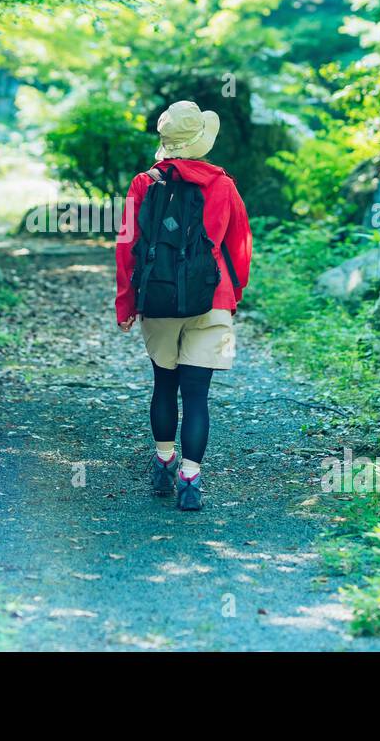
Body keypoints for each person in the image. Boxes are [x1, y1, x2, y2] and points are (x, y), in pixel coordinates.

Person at [114, 100, 252, 511]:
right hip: (211, 299)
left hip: (157, 298)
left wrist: (126, 303)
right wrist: (234, 293)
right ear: (201, 142)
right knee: (196, 397)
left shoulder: (144, 183)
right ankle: (190, 481)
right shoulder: (223, 185)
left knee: (163, 385)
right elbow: (240, 246)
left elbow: (127, 247)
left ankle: (163, 462)